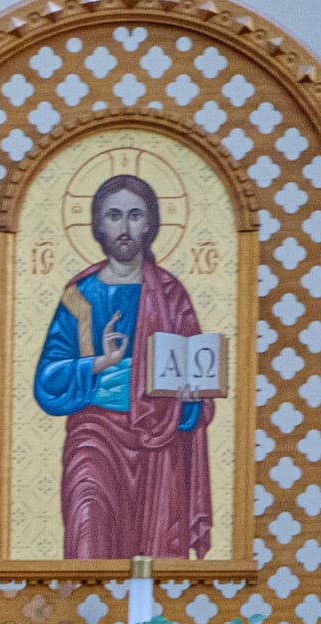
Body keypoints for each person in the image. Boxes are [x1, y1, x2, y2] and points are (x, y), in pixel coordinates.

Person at [32, 173, 214, 560]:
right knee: (89, 524)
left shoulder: (170, 294)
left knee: (158, 548)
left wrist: (191, 400)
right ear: (98, 225)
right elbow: (47, 382)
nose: (125, 227)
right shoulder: (80, 297)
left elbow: (195, 393)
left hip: (157, 442)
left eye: (135, 215)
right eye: (114, 216)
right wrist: (101, 363)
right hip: (94, 437)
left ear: (149, 225)